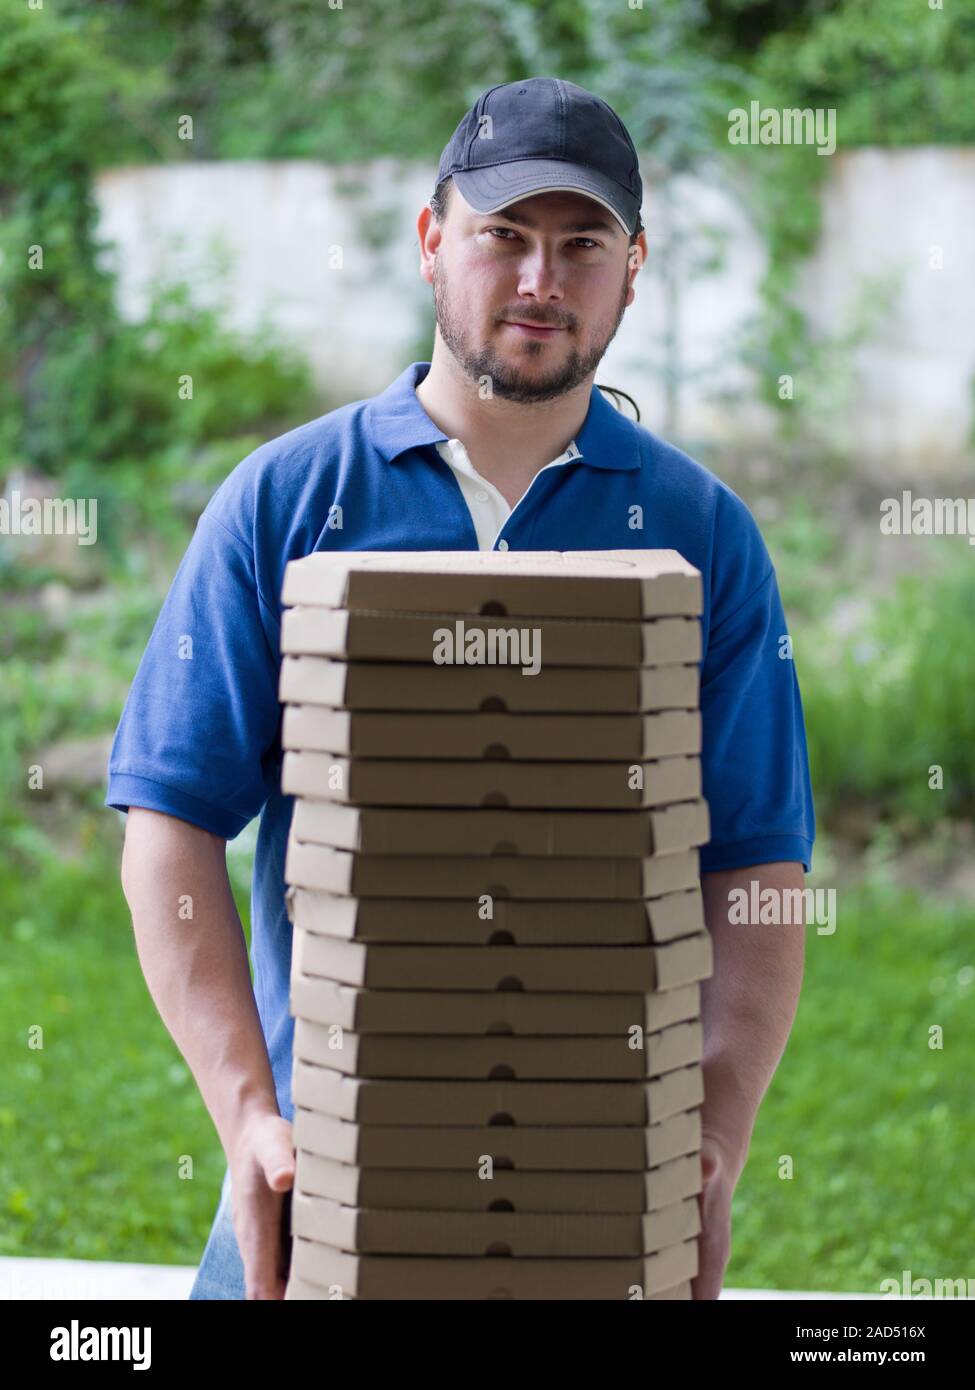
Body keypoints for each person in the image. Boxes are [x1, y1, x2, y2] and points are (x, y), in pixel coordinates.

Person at [108, 77, 815, 1301]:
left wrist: (713, 1134)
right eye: (505, 236)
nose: (541, 279)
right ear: (435, 241)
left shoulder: (701, 537)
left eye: (582, 244)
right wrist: (245, 1118)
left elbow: (755, 871)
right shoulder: (287, 505)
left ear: (633, 268)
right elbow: (169, 825)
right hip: (320, 1198)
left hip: (599, 1216)